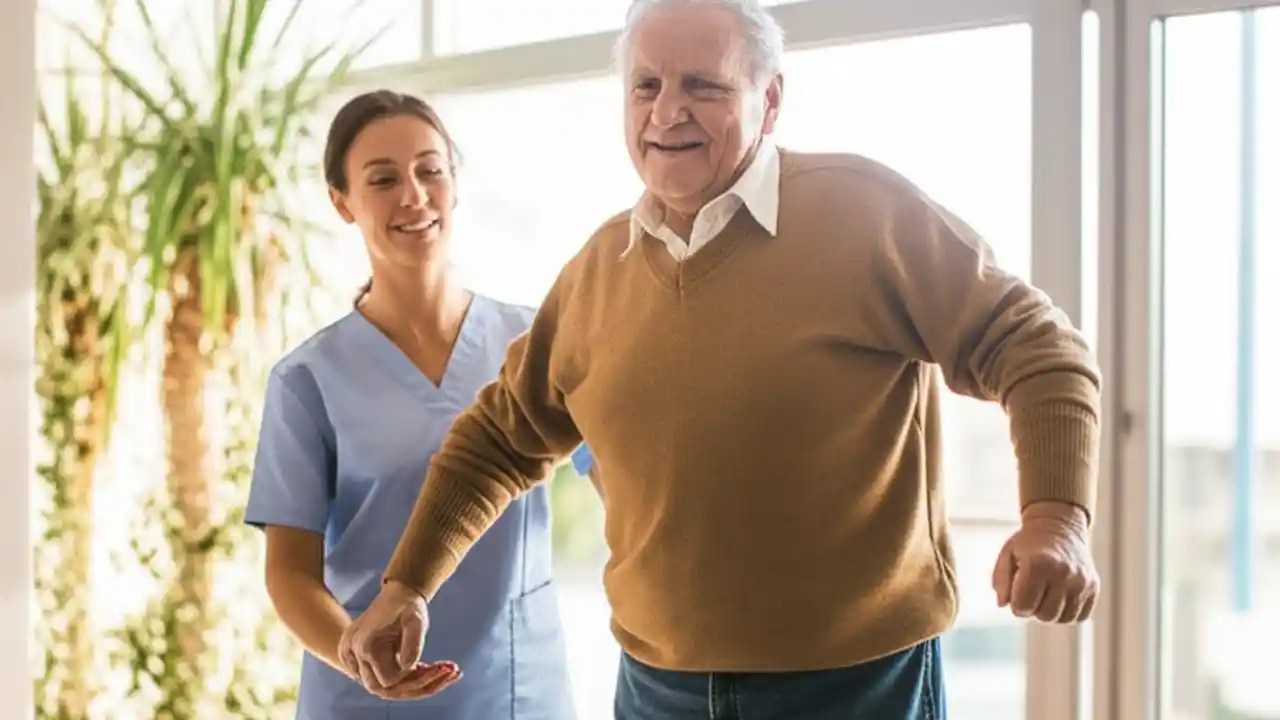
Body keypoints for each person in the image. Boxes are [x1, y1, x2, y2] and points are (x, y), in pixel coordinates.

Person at [340, 0, 1103, 717]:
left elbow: (1036, 345)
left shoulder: (863, 213)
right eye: (646, 85)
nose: (667, 111)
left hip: (858, 687)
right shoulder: (597, 270)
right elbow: (498, 441)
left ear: (769, 99)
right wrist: (408, 584)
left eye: (702, 86)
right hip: (654, 689)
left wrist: (1056, 517)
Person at [245, 90, 580, 720]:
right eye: (383, 179)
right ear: (341, 202)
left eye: (431, 170)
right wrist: (354, 654)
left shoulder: (536, 343)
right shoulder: (307, 380)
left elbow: (631, 474)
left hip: (520, 689)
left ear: (455, 181)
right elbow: (289, 577)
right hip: (368, 697)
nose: (414, 195)